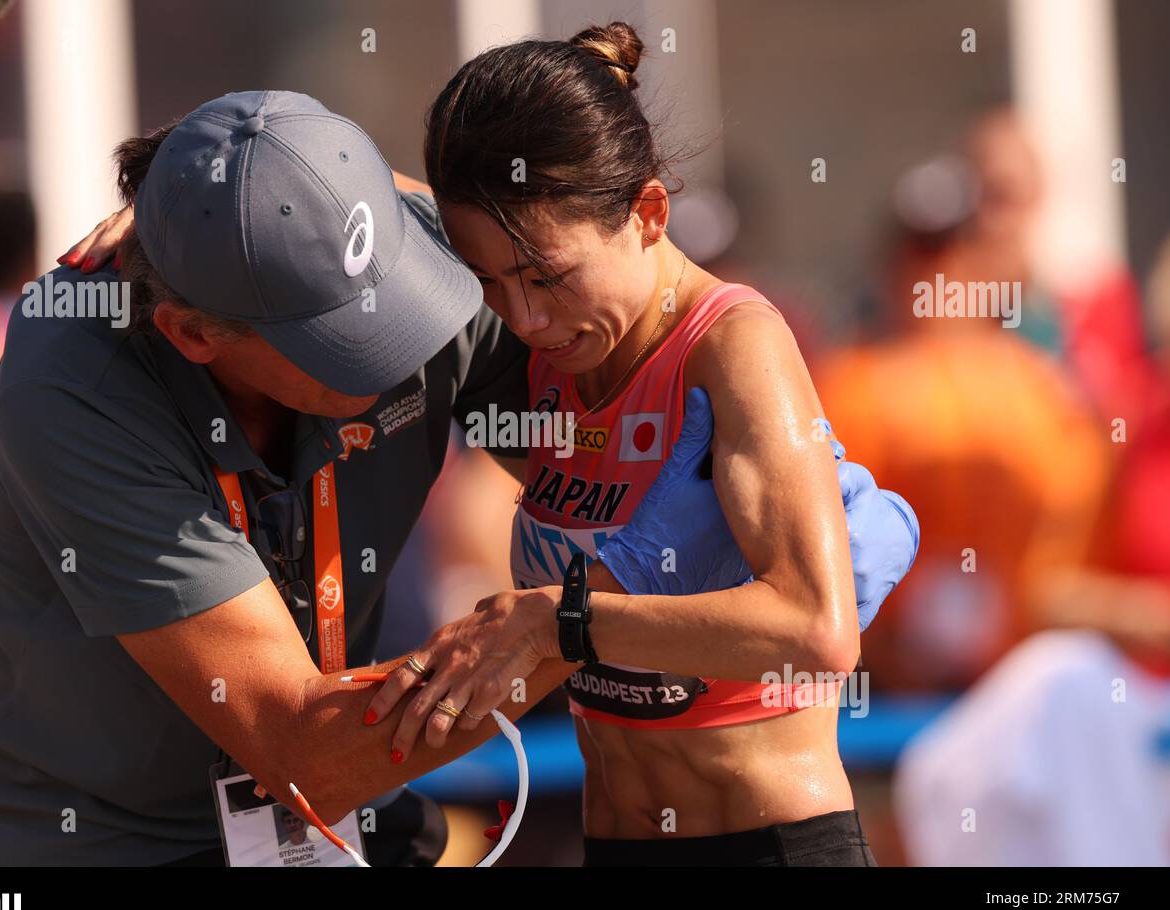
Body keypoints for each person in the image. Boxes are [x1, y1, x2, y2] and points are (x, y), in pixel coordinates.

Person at [0, 89, 911, 867]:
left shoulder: (429, 261)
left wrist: (796, 472)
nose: (413, 342)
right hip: (81, 839)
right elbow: (303, 749)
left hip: (341, 826)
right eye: (345, 343)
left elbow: (650, 293)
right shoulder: (77, 385)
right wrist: (576, 618)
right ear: (193, 332)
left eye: (405, 297)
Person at [363, 23, 918, 865]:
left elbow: (817, 630)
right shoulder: (557, 339)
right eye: (489, 284)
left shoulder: (731, 346)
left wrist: (564, 622)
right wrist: (168, 212)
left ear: (649, 213)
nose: (523, 318)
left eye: (548, 277)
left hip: (767, 843)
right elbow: (352, 204)